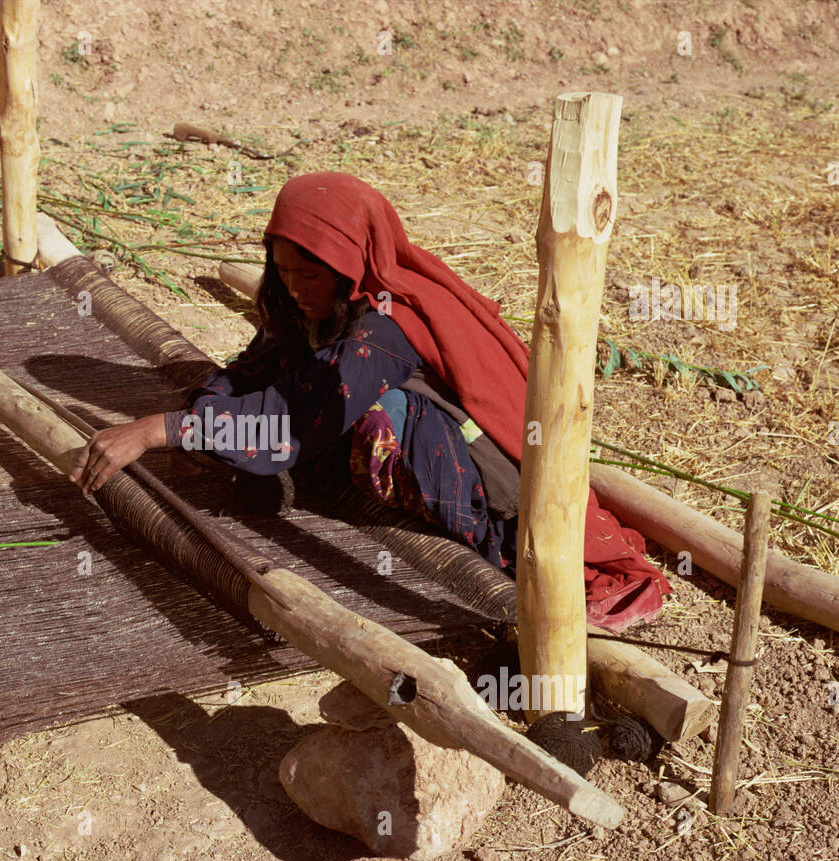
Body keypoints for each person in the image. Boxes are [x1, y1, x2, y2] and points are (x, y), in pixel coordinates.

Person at [70, 172, 670, 630]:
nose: (296, 289)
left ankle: (478, 535)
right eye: (283, 272)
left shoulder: (381, 327)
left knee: (370, 419)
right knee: (276, 395)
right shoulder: (306, 300)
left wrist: (163, 430)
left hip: (489, 487)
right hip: (382, 427)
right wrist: (205, 413)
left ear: (349, 264)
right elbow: (256, 367)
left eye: (310, 275)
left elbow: (291, 419)